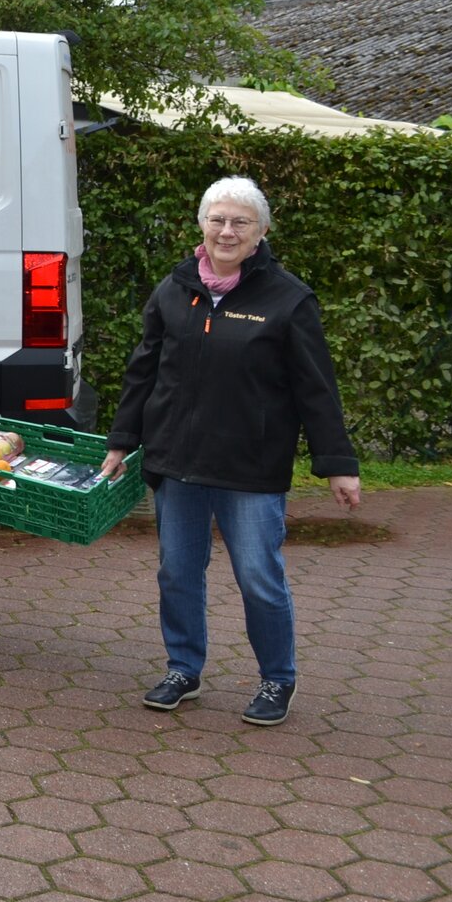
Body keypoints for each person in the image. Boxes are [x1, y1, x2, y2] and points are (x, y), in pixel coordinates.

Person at [101, 176, 360, 727]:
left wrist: (338, 464)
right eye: (217, 219)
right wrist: (122, 441)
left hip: (249, 468)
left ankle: (277, 680)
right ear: (201, 226)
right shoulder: (174, 289)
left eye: (240, 221)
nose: (227, 230)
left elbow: (317, 387)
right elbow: (142, 371)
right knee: (177, 572)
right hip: (177, 464)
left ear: (261, 231)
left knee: (259, 577)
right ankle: (183, 668)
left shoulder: (288, 299)